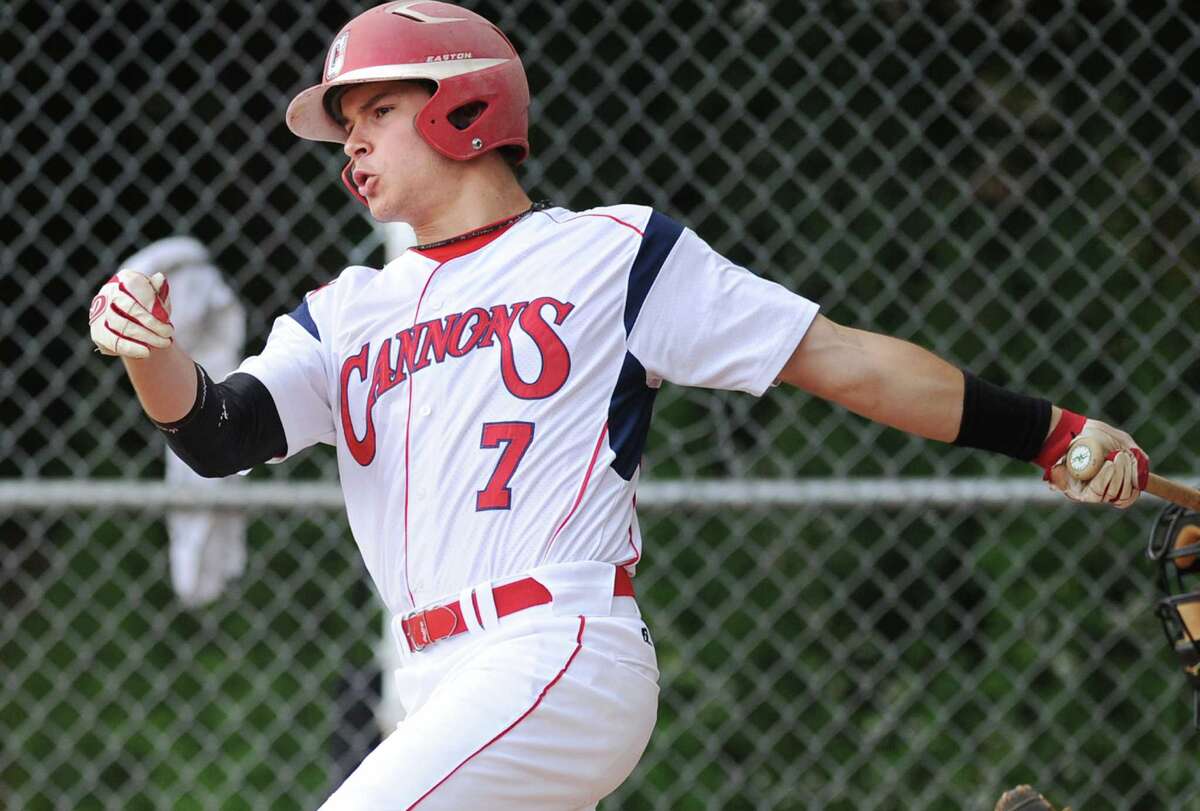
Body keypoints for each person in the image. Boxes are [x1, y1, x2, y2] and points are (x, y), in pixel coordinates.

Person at [87, 2, 1150, 808]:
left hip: (553, 644)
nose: (351, 142)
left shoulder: (611, 254)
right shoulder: (343, 312)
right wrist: (151, 352)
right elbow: (217, 433)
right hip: (429, 679)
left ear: (465, 106)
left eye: (378, 110)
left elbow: (840, 359)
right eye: (345, 125)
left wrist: (1046, 431)